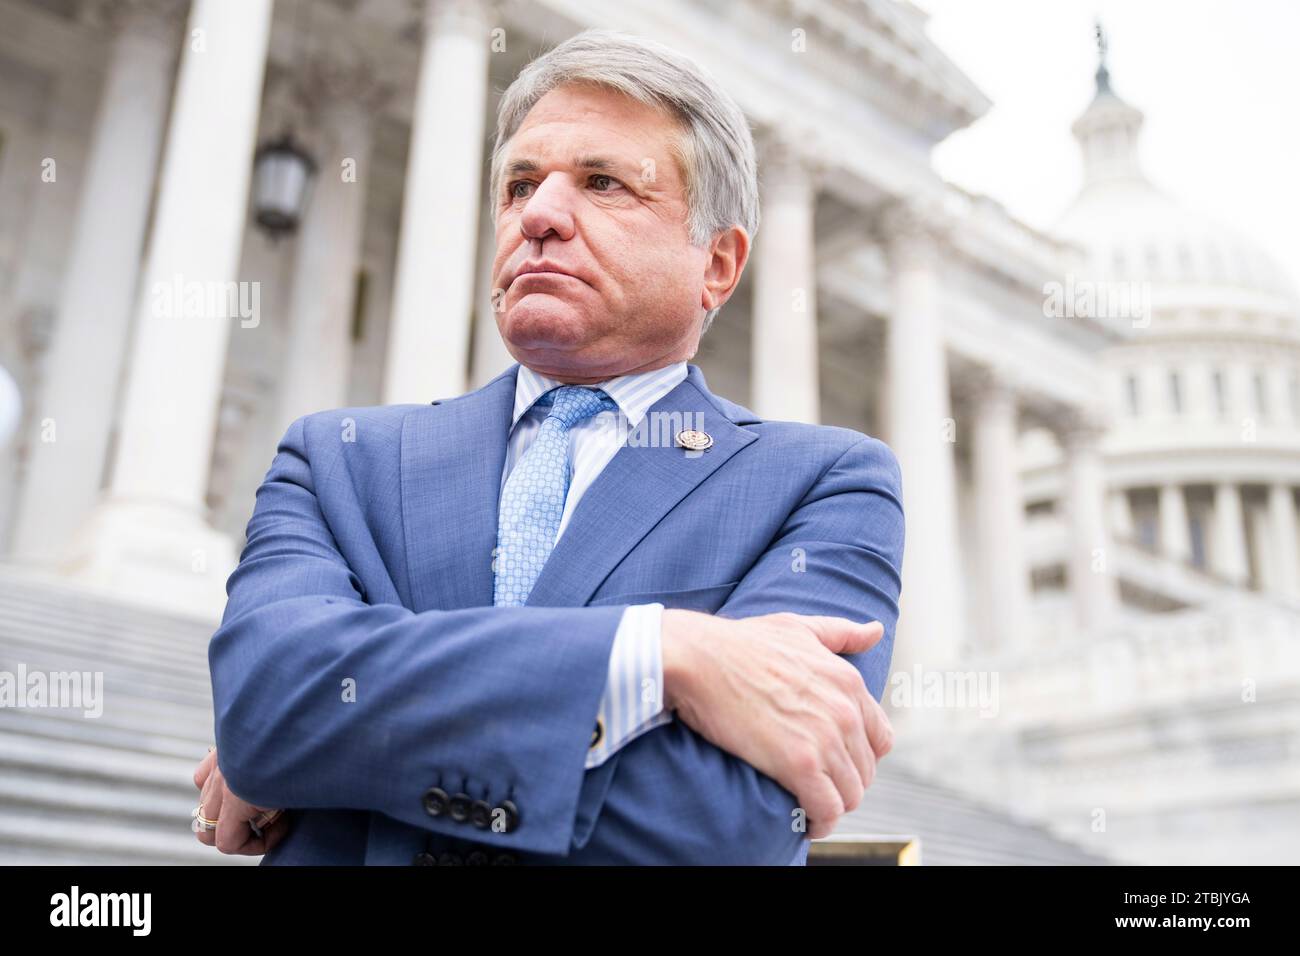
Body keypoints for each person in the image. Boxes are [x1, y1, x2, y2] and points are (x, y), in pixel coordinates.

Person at [196, 28, 904, 866]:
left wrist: (343, 756)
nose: (538, 215)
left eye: (603, 182)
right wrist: (658, 652)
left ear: (717, 263)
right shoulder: (337, 460)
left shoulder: (824, 483)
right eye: (520, 183)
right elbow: (268, 708)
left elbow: (724, 825)